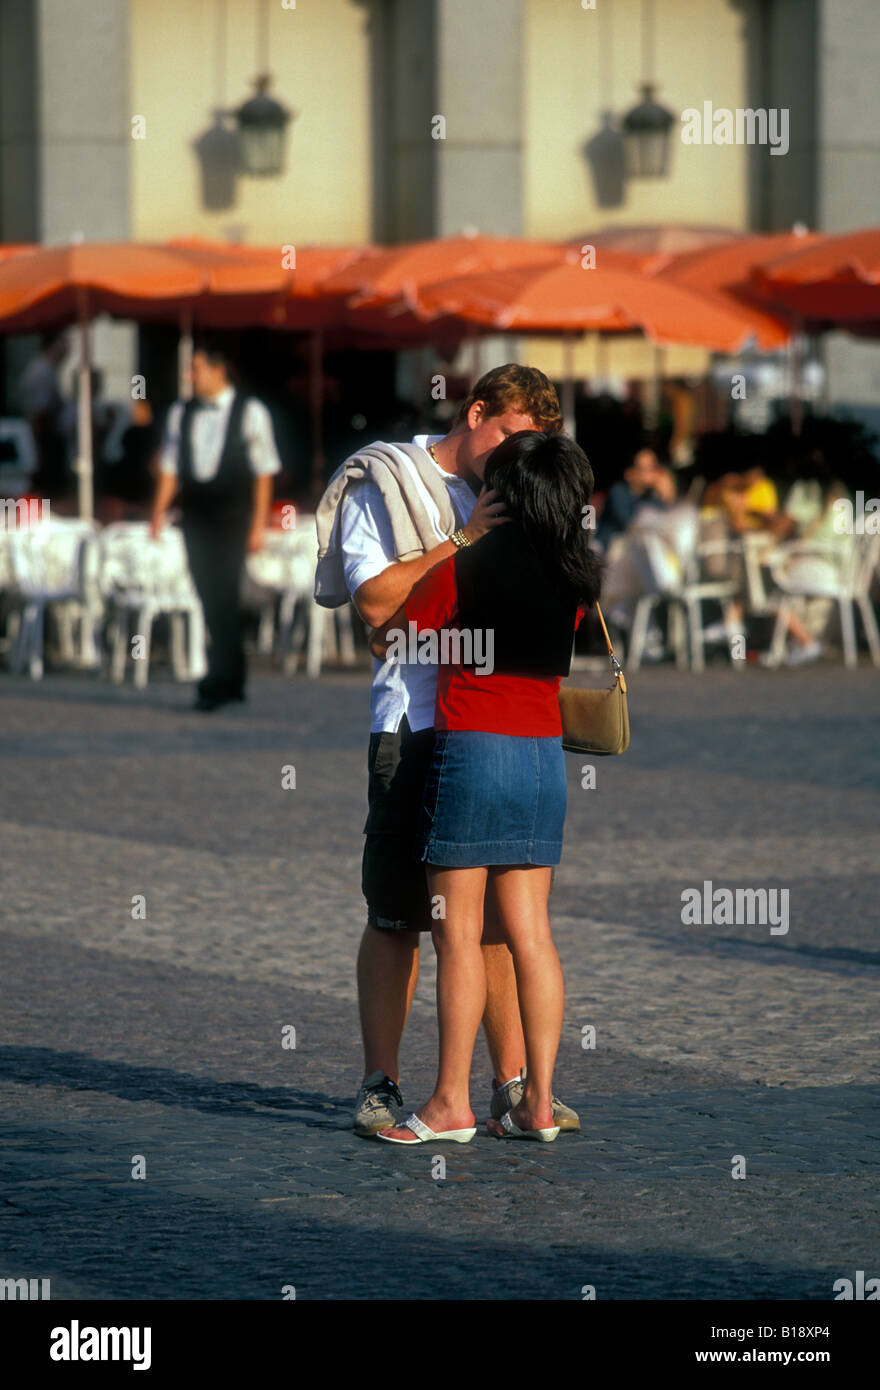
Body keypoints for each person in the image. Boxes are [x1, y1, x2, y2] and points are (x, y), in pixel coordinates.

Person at [314, 364, 581, 1137]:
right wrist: (463, 541)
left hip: (487, 730)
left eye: (534, 444)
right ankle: (382, 1083)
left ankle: (511, 1086)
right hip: (413, 722)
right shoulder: (387, 480)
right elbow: (375, 604)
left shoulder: (526, 485)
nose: (517, 456)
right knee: (399, 914)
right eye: (511, 436)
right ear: (475, 413)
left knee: (492, 923)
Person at [369, 431, 602, 1144]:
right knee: (533, 936)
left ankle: (449, 1105)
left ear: (501, 493)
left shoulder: (466, 569)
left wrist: (455, 547)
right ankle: (538, 1103)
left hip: (471, 751)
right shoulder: (573, 577)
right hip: (542, 761)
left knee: (459, 938)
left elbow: (395, 636)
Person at [150, 341, 282, 710]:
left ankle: (217, 680)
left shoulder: (251, 412)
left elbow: (264, 472)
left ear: (217, 369)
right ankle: (232, 675)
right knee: (208, 594)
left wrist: (258, 526)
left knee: (224, 594)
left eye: (195, 368)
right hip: (196, 517)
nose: (190, 376)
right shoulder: (182, 412)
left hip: (233, 518)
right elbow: (171, 468)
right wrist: (157, 513)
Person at [17, 330, 71, 501]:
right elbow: (40, 412)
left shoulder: (43, 369)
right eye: (65, 344)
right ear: (55, 345)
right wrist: (40, 445)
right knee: (45, 489)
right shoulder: (42, 371)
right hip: (44, 436)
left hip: (44, 434)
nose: (69, 349)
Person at [595, 447, 675, 551]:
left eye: (652, 468)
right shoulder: (618, 492)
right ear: (629, 473)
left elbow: (662, 522)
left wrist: (667, 496)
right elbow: (630, 523)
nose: (649, 474)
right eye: (643, 469)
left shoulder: (651, 496)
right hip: (609, 552)